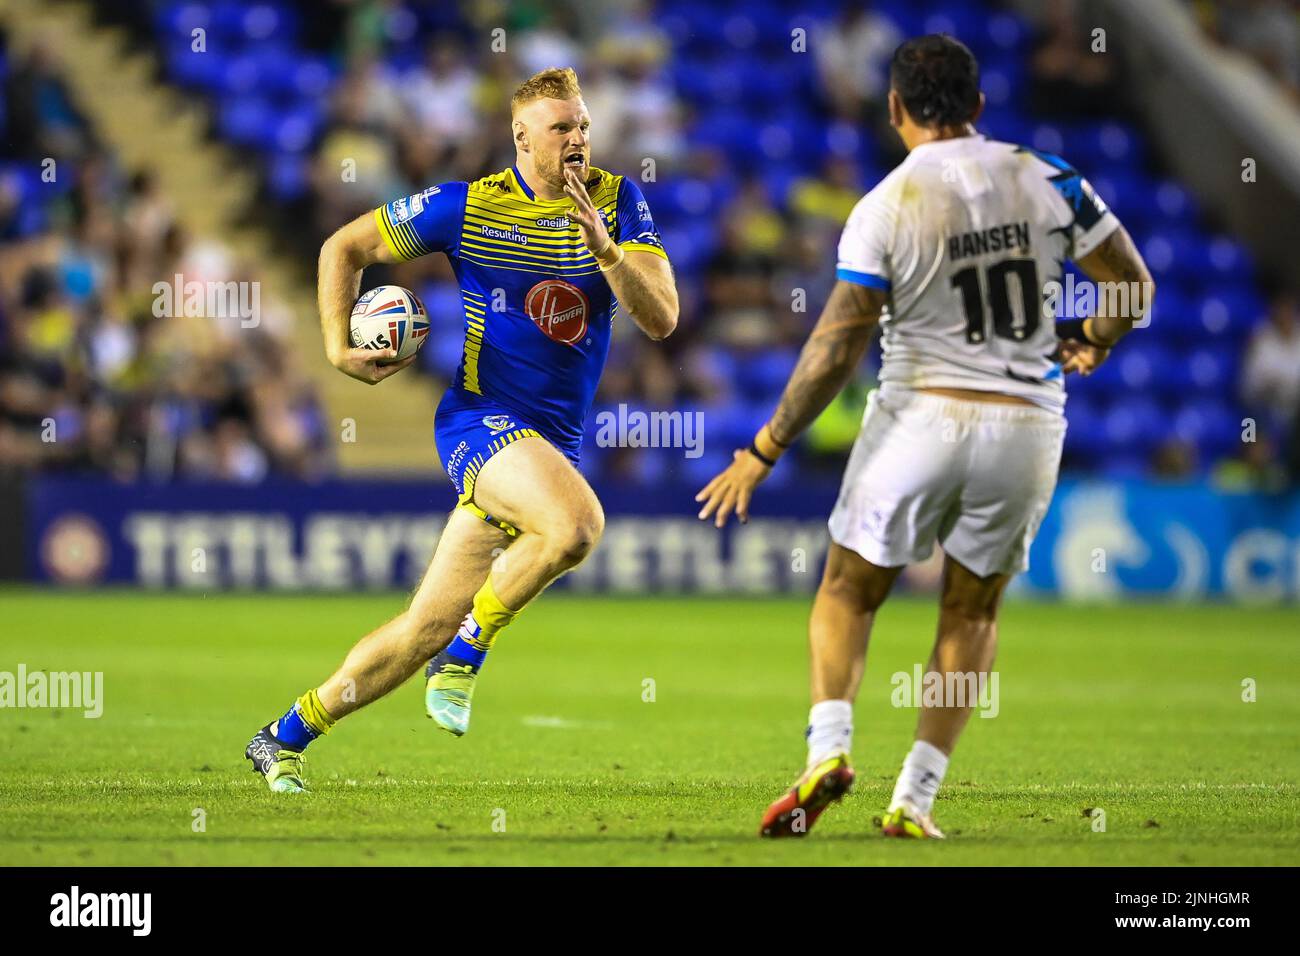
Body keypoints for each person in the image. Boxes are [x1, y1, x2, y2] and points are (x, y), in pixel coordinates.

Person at [696, 35, 1153, 839]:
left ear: (895, 108)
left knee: (847, 588)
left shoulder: (885, 204)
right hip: (1025, 425)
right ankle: (914, 798)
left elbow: (837, 342)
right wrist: (1094, 335)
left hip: (922, 416)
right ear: (979, 107)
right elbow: (1133, 286)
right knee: (969, 612)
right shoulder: (1053, 180)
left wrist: (763, 448)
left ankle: (828, 750)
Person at [245, 67, 678, 792]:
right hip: (481, 422)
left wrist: (605, 249)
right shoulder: (466, 207)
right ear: (521, 137)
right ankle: (470, 651)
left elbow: (662, 318)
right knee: (575, 528)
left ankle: (283, 735)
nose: (578, 139)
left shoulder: (617, 200)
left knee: (421, 628)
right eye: (561, 128)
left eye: (584, 126)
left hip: (551, 445)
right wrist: (335, 346)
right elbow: (340, 249)